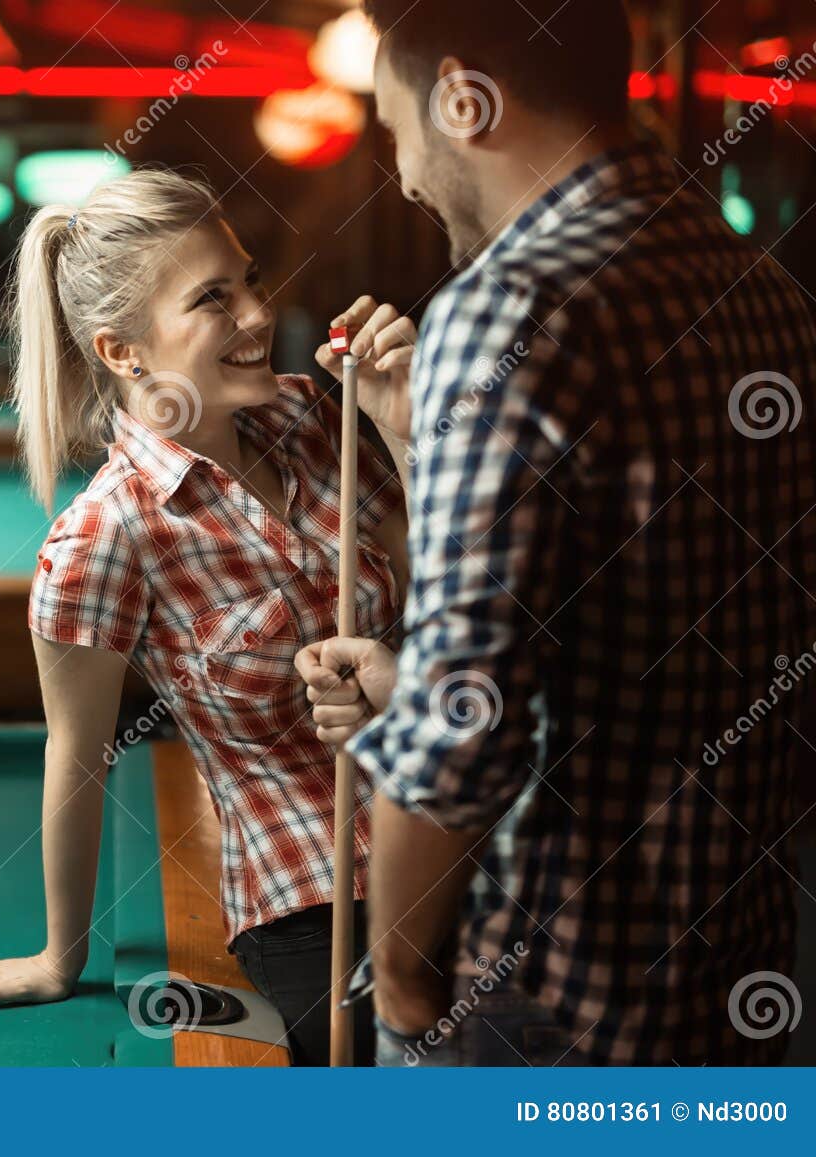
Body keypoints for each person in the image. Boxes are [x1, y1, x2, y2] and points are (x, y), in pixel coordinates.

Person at [296, 0, 816, 1066]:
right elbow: (629, 634)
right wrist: (418, 437)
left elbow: (461, 732)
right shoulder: (763, 288)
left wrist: (404, 991)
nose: (403, 176)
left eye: (396, 131)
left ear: (463, 100)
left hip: (543, 1007)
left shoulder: (509, 303)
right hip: (738, 976)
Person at [0, 170, 416, 1066]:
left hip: (463, 832)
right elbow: (78, 751)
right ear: (122, 350)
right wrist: (60, 957)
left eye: (250, 281)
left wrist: (404, 425)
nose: (258, 314)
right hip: (317, 898)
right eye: (214, 299)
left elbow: (445, 585)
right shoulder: (106, 533)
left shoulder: (307, 412)